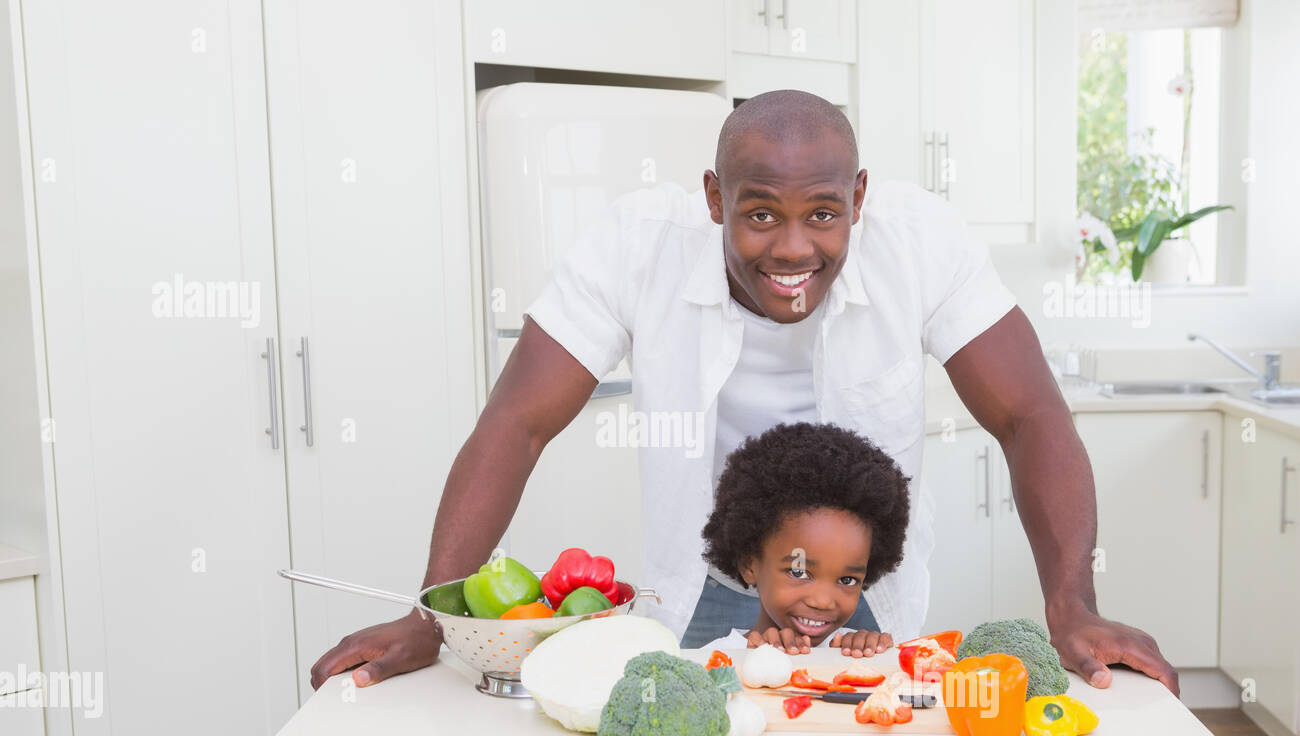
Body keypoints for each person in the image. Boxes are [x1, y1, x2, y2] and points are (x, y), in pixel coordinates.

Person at [310, 89, 1179, 697]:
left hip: (861, 582)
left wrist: (1072, 604)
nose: (794, 249)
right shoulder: (637, 242)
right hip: (709, 578)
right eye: (760, 214)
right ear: (715, 198)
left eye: (824, 215)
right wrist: (430, 611)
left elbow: (1030, 415)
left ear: (859, 200)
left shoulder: (923, 240)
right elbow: (518, 423)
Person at [696, 422, 909, 656]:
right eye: (798, 572)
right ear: (749, 564)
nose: (823, 601)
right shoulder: (716, 660)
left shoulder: (851, 654)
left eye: (847, 580)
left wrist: (875, 660)